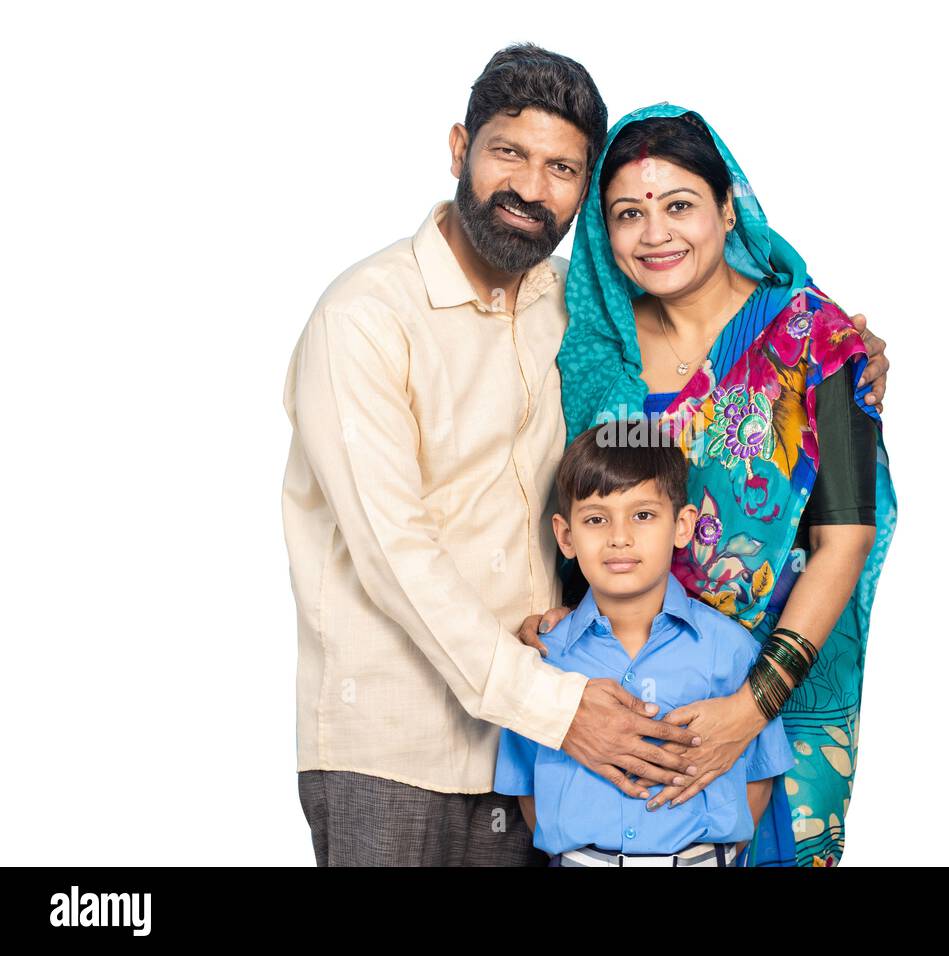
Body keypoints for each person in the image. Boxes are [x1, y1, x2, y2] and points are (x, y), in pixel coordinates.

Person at [282, 42, 891, 866]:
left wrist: (841, 364)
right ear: (461, 150)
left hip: (683, 709)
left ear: (730, 207)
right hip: (452, 735)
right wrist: (558, 694)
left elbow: (835, 526)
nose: (533, 188)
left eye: (563, 169)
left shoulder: (582, 312)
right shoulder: (405, 320)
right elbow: (399, 552)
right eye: (509, 153)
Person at [523, 104, 899, 867]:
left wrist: (746, 710)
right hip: (628, 690)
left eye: (680, 205)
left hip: (787, 695)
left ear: (728, 208)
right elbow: (578, 512)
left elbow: (846, 535)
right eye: (629, 213)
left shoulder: (811, 337)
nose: (655, 233)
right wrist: (552, 628)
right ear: (604, 233)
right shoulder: (596, 351)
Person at [494, 425, 796, 866]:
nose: (619, 537)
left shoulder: (730, 648)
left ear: (683, 525)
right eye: (597, 519)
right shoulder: (543, 658)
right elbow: (526, 785)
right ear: (565, 536)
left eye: (643, 515)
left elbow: (756, 777)